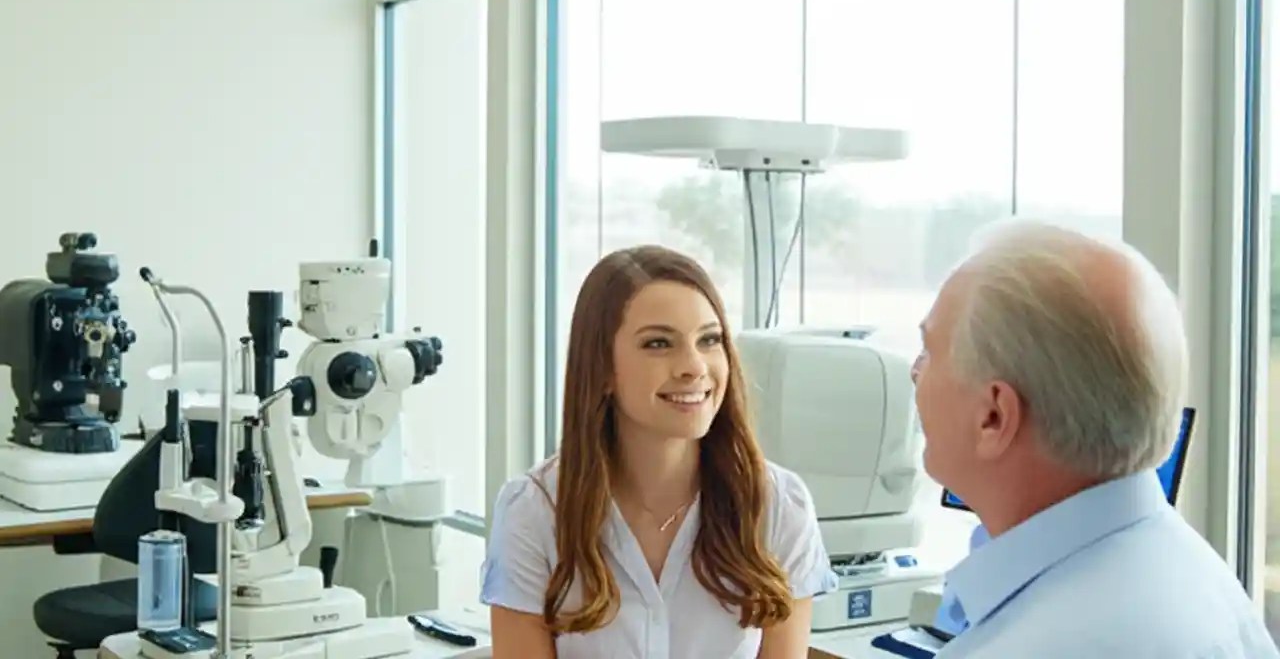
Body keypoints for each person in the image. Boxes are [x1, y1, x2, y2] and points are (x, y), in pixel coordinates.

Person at [913, 218, 1278, 658]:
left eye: (929, 352)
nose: (915, 371)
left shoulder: (1035, 645)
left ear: (993, 417)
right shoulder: (1193, 579)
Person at [479, 245, 837, 658]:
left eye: (709, 340)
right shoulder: (534, 511)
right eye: (658, 343)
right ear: (602, 368)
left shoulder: (778, 505)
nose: (694, 367)